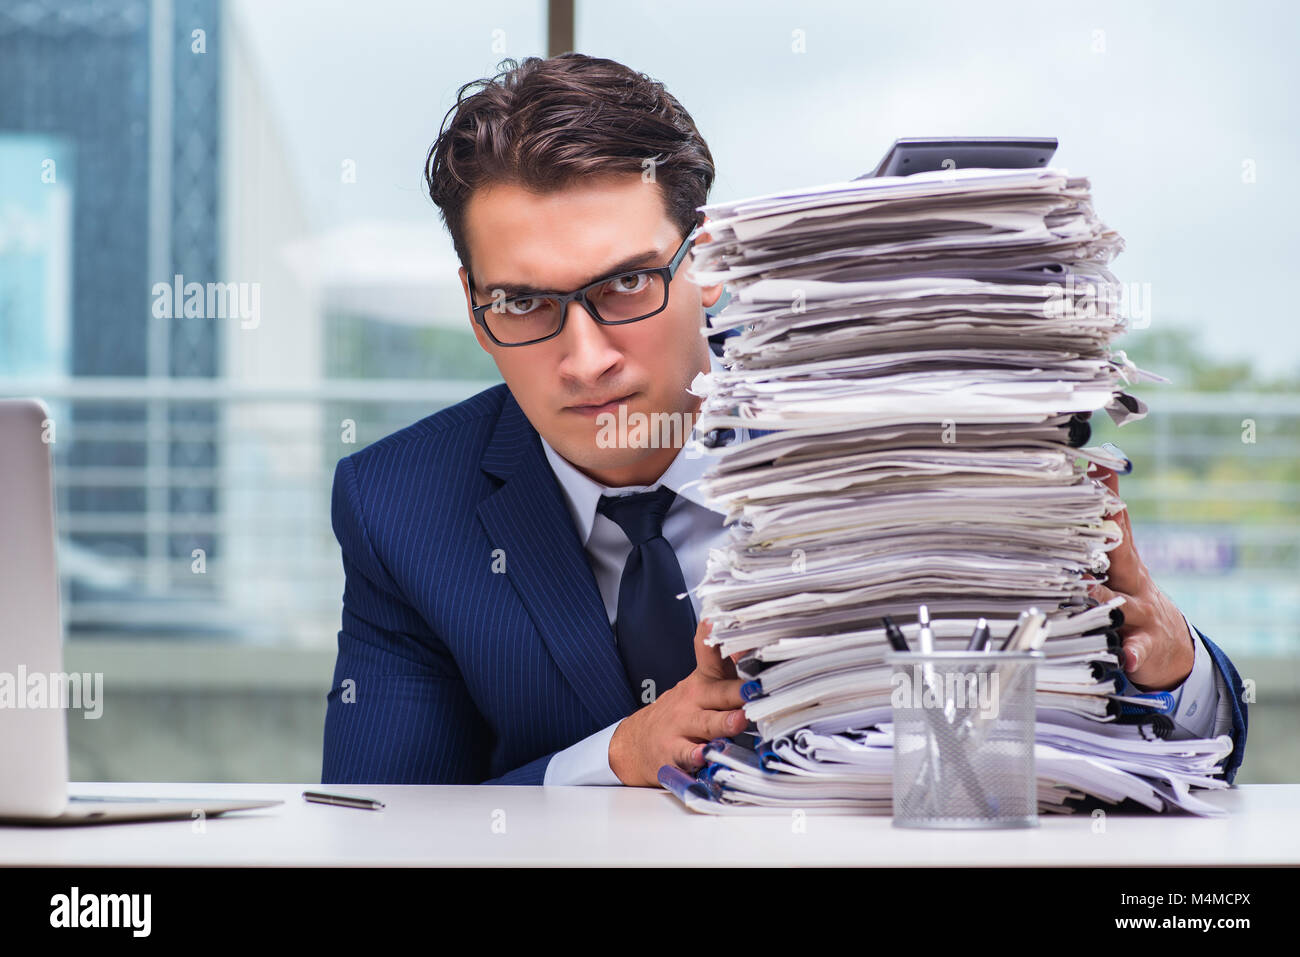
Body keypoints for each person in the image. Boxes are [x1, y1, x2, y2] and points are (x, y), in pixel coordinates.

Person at [321, 52, 1247, 787]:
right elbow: (381, 822)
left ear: (710, 262)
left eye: (628, 282)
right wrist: (615, 757)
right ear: (472, 302)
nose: (586, 356)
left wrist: (1167, 665)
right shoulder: (402, 507)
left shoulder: (886, 430)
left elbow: (1163, 747)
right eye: (521, 302)